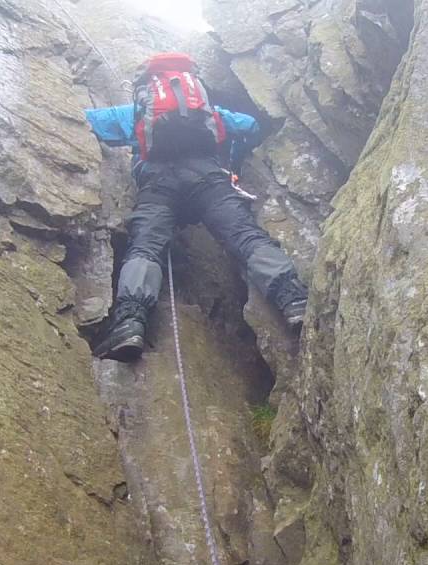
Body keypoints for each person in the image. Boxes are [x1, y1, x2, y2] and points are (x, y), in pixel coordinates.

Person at [83, 52, 309, 362]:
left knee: (145, 247)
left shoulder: (135, 113)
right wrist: (233, 162)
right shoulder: (206, 112)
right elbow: (250, 126)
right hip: (209, 180)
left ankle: (129, 323)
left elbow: (88, 122)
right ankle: (292, 299)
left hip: (159, 186)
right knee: (245, 235)